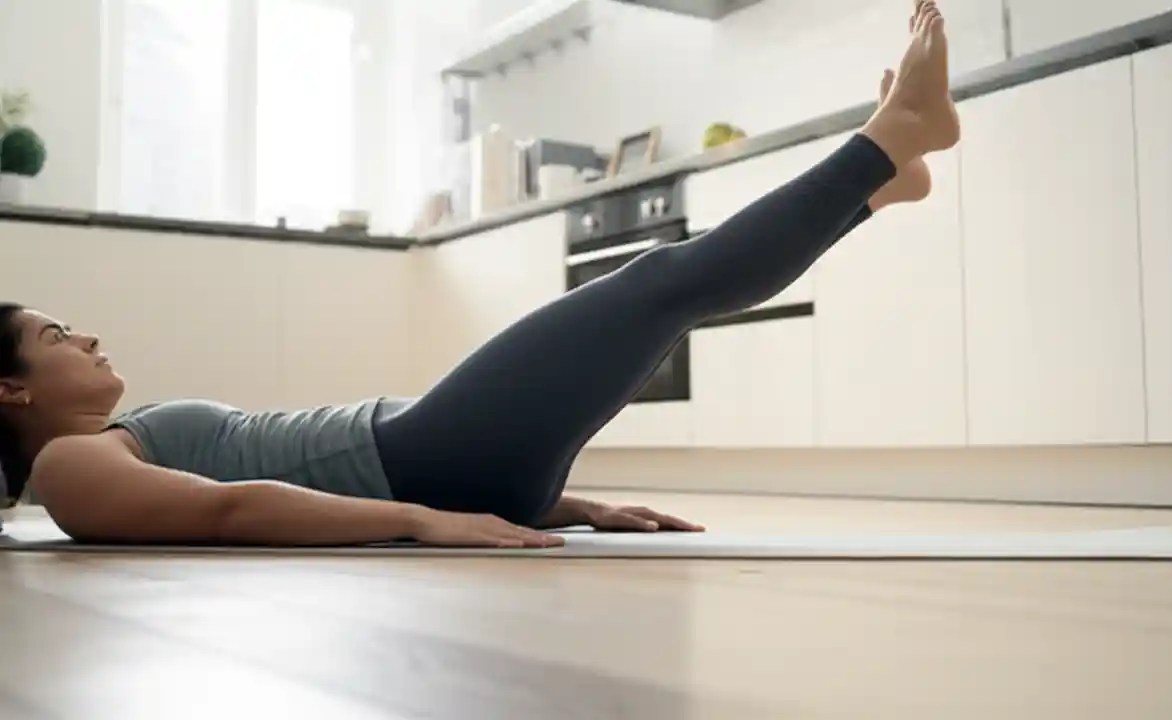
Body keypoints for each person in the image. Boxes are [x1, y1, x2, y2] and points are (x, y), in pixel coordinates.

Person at [0, 1, 959, 549]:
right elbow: (229, 509)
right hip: (430, 456)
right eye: (54, 339)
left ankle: (883, 181)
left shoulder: (95, 448)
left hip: (444, 456)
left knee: (664, 298)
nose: (82, 337)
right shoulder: (65, 463)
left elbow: (245, 482)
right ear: (11, 390)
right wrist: (423, 520)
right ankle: (888, 148)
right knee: (661, 286)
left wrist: (555, 503)